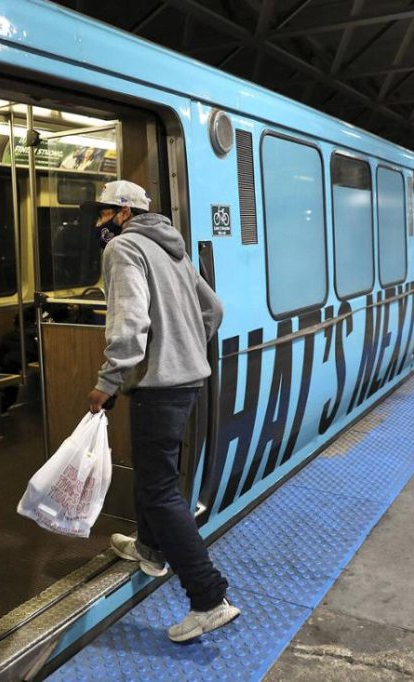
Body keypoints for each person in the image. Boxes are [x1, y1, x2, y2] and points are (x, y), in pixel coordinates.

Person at [83, 180, 240, 643]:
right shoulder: (172, 248)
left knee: (161, 491)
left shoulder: (125, 249)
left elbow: (130, 321)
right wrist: (186, 349)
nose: (99, 222)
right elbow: (213, 309)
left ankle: (210, 599)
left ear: (125, 212)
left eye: (105, 212)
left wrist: (106, 382)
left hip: (159, 387)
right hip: (188, 380)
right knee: (159, 476)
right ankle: (150, 550)